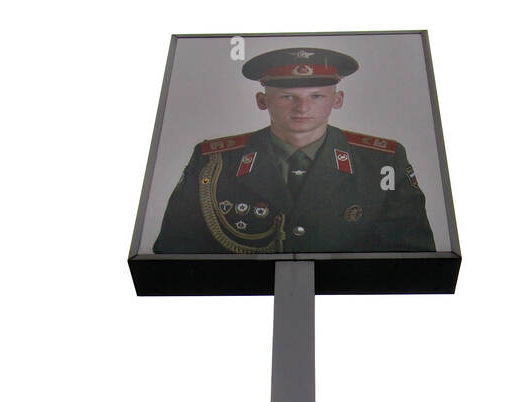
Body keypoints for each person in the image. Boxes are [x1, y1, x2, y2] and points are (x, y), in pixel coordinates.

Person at [152, 46, 435, 255]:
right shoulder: (214, 161)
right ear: (262, 101)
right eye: (287, 97)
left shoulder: (381, 161)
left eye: (316, 96)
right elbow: (175, 251)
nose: (302, 108)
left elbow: (414, 256)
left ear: (337, 99)